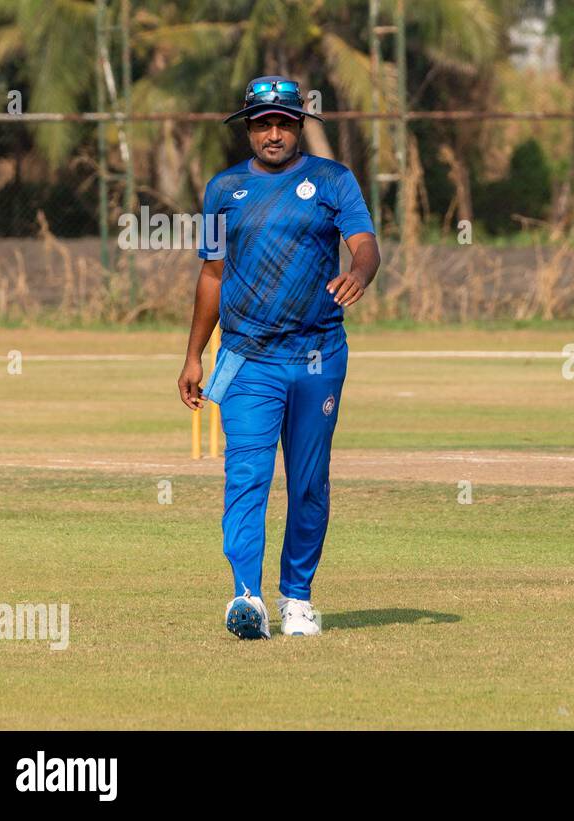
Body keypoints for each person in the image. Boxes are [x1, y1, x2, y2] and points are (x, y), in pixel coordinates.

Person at [176, 76, 380, 638]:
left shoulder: (332, 179)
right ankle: (247, 596)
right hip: (247, 358)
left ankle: (297, 598)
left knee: (309, 481)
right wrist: (194, 354)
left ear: (299, 125)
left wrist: (359, 272)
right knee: (247, 473)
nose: (273, 133)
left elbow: (364, 243)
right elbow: (212, 274)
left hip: (318, 356)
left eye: (283, 122)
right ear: (248, 127)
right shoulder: (223, 190)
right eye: (262, 122)